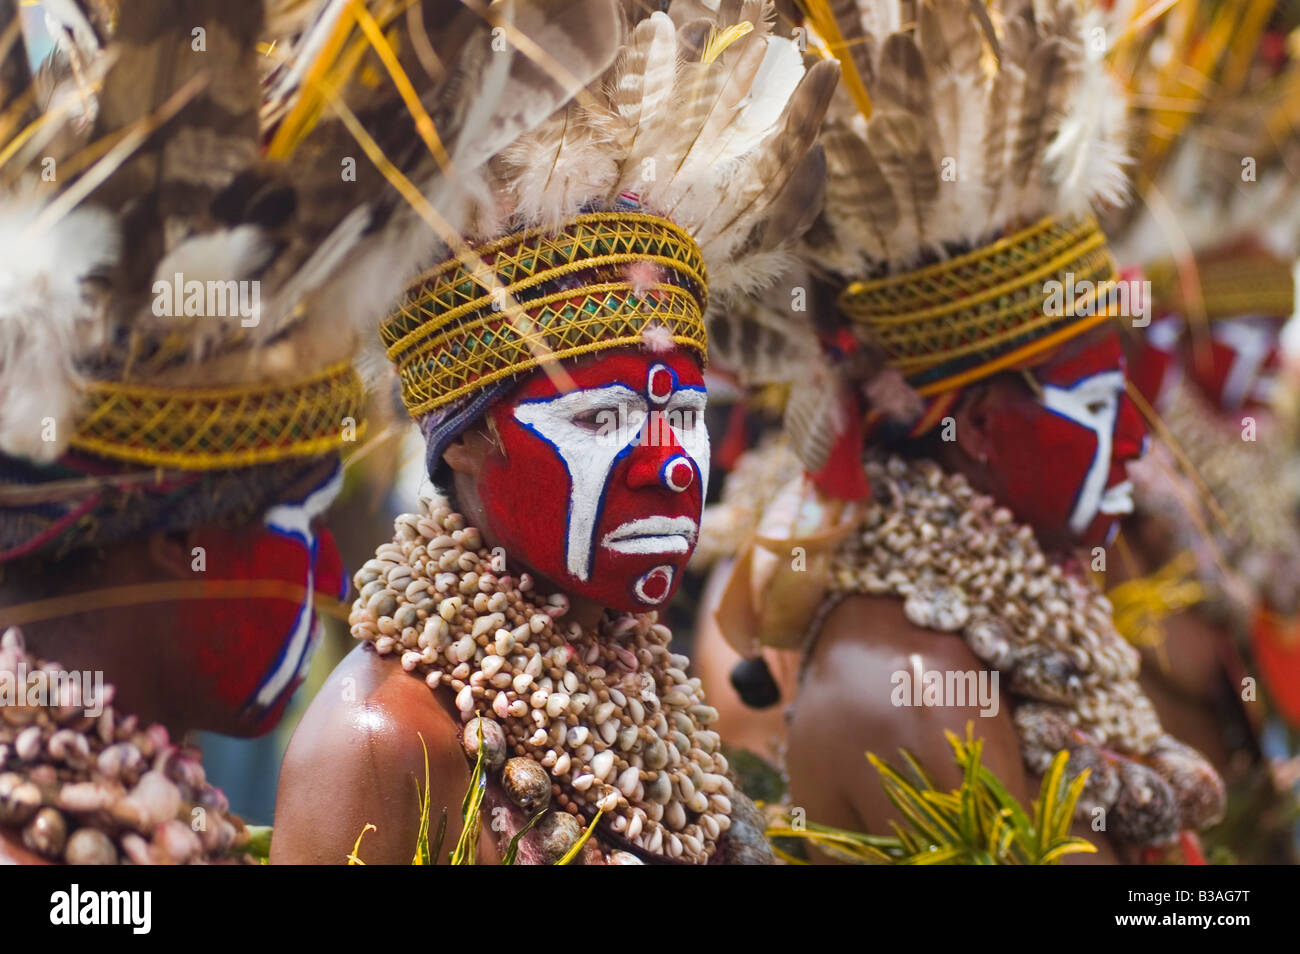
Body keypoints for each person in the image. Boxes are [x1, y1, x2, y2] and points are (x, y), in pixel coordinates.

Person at [272, 2, 836, 865]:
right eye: (603, 419)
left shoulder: (653, 705)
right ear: (463, 437)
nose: (673, 468)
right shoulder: (384, 745)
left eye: (681, 416)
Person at [705, 0, 1225, 862]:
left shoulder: (1017, 610)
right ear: (978, 427)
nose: (1137, 441)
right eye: (1097, 408)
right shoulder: (914, 686)